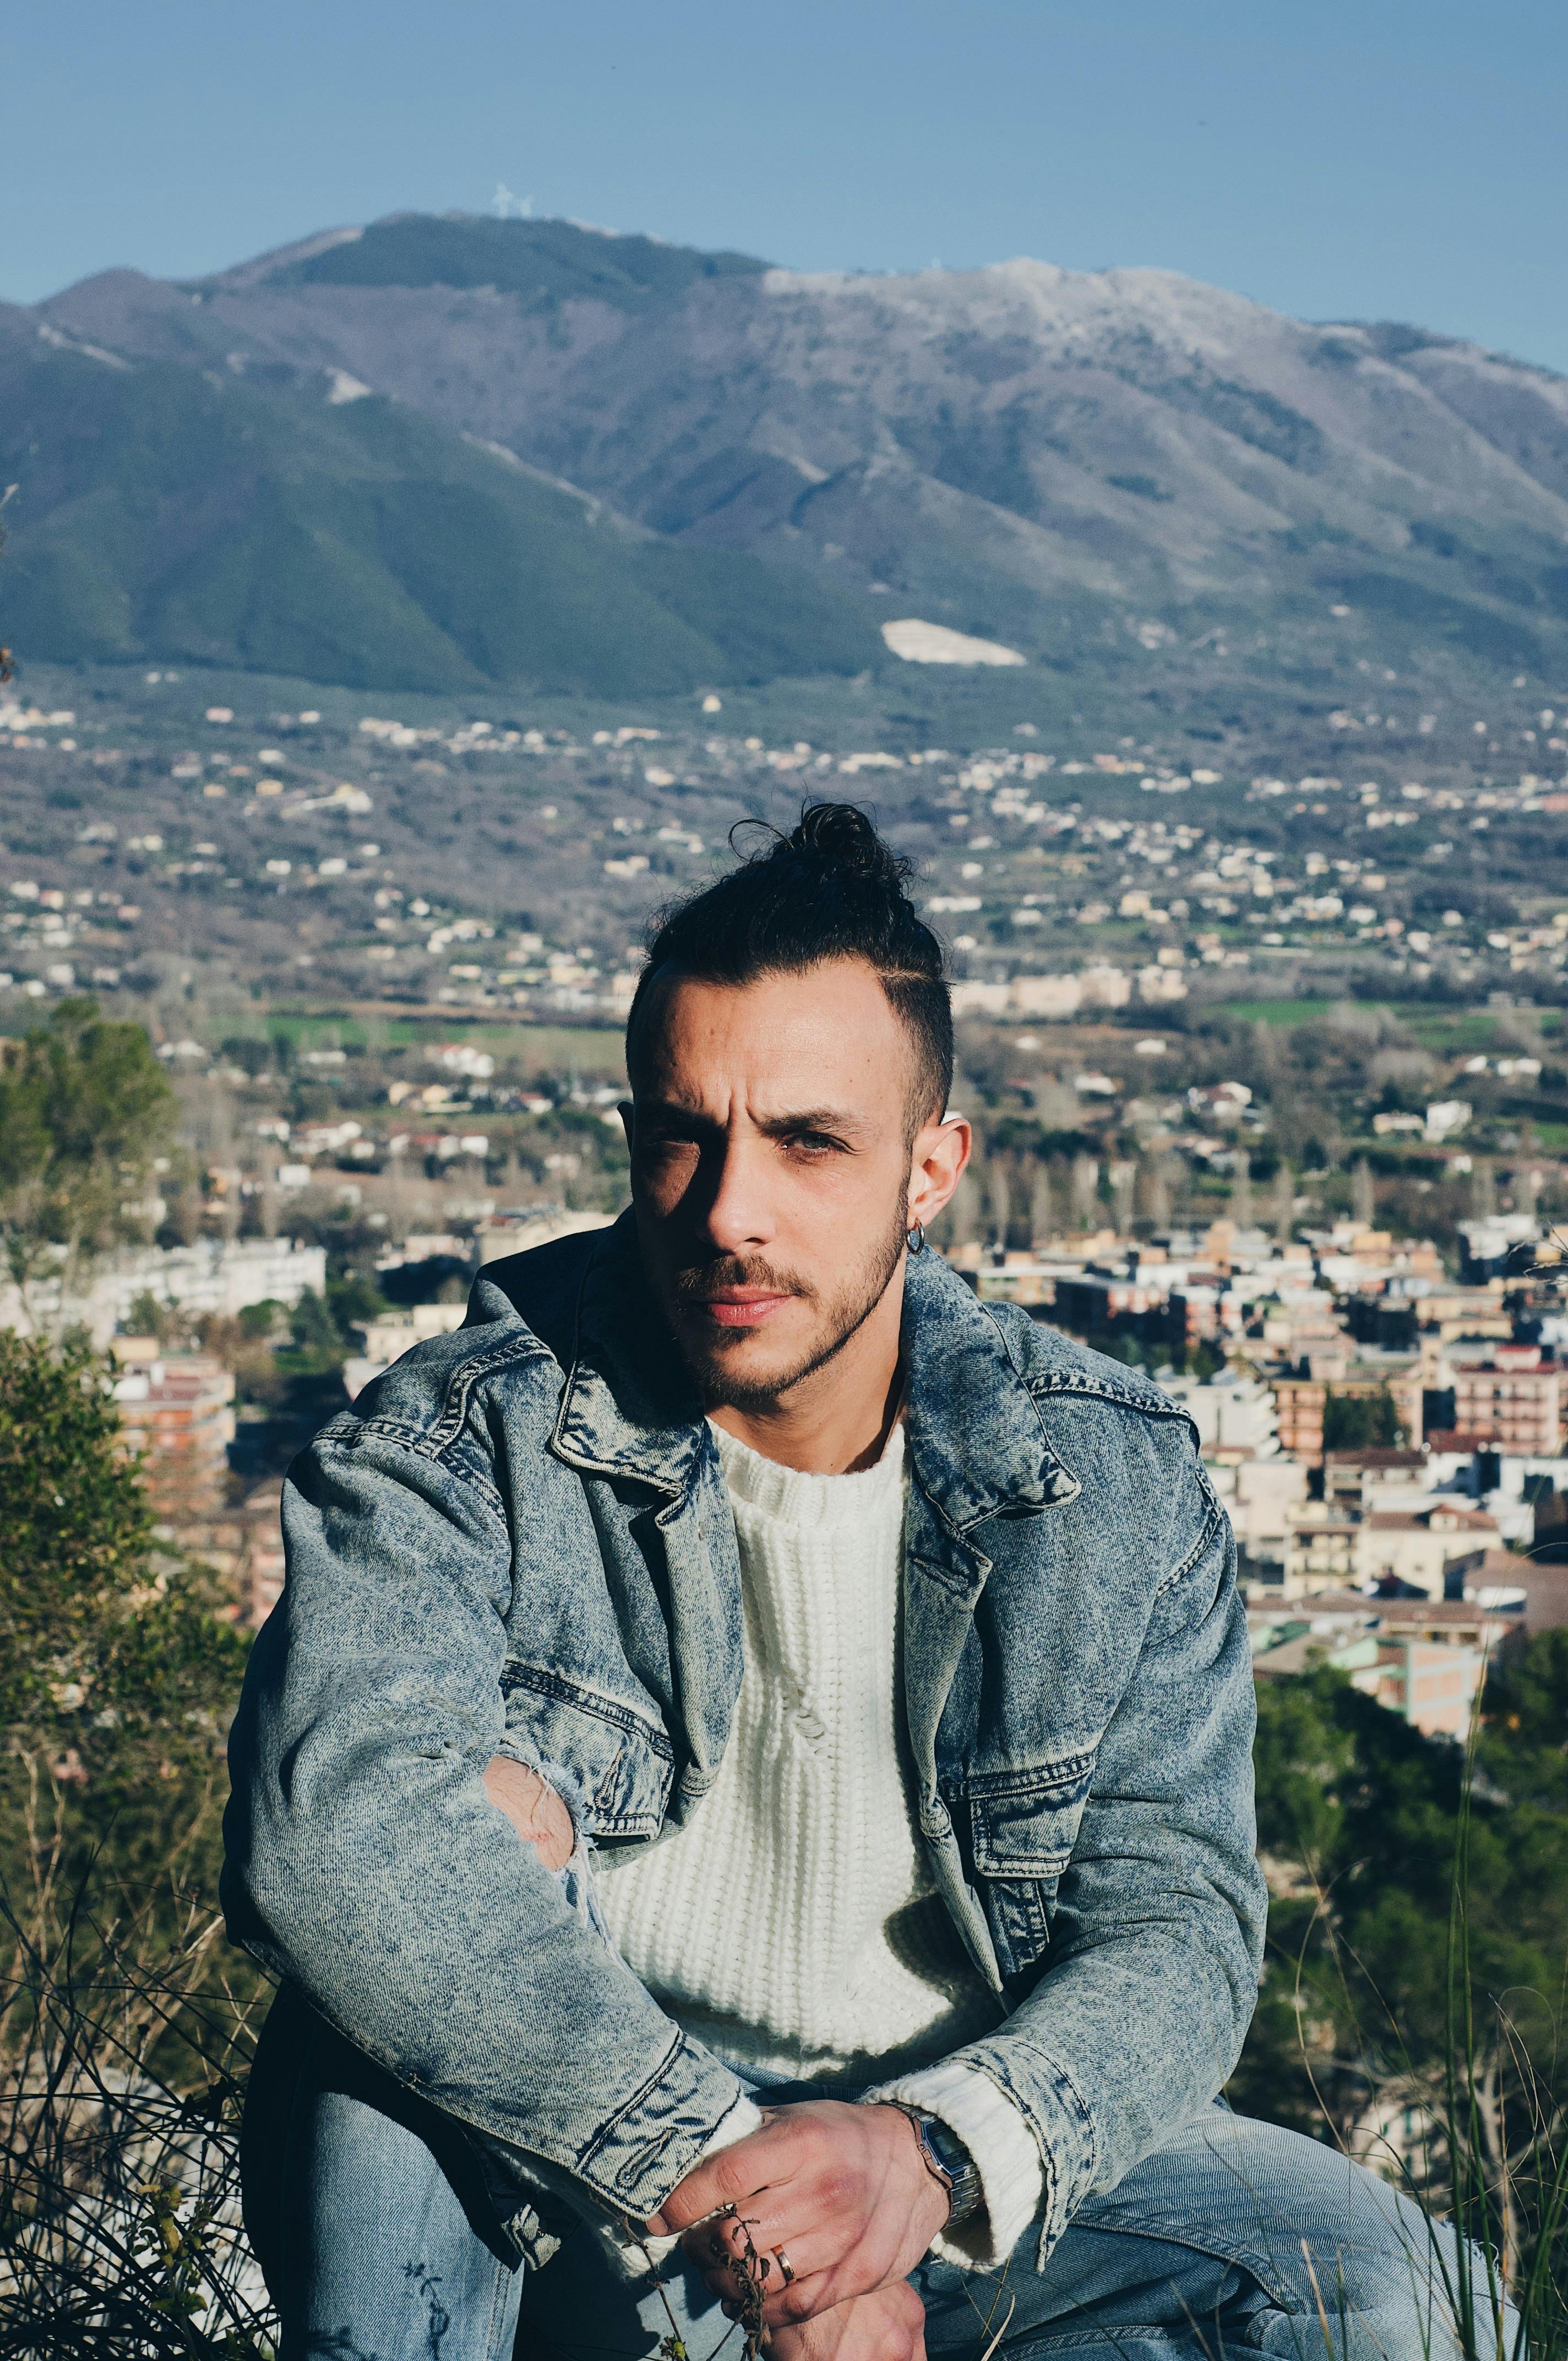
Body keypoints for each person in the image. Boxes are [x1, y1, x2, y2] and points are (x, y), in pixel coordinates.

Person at [226, 804, 1495, 2361]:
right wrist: (748, 2204)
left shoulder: (1110, 1481)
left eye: (810, 1143)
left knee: (1411, 2296)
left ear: (931, 1168)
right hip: (565, 2164)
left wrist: (924, 2163)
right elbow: (338, 1844)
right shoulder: (455, 1441)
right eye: (681, 1135)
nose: (729, 1213)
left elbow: (1180, 1927)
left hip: (941, 2161)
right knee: (413, 1941)